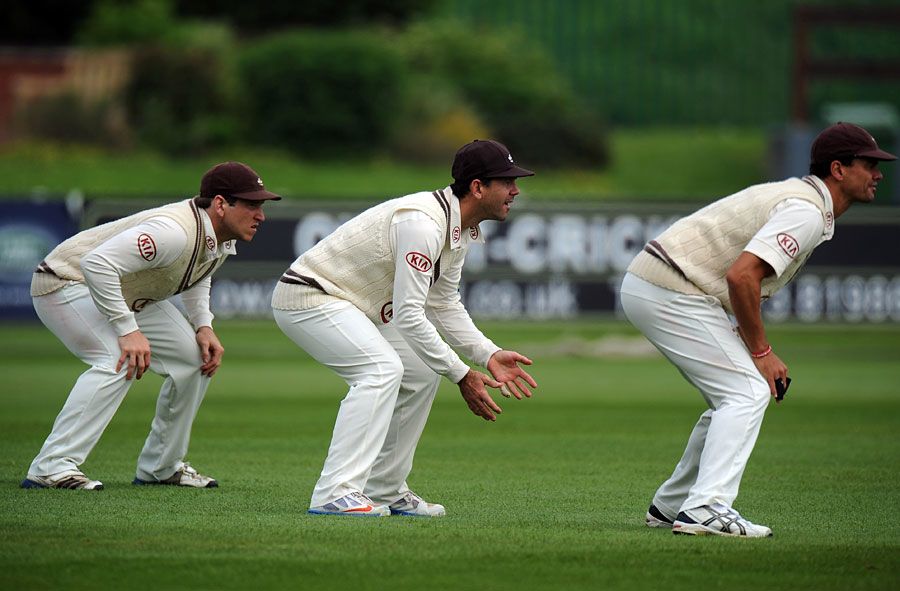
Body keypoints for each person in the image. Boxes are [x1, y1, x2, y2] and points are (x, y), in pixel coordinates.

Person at [620, 122, 896, 537]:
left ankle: (672, 505)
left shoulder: (802, 200)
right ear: (838, 169)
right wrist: (762, 353)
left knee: (732, 393)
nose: (878, 174)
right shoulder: (804, 211)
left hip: (662, 283)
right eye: (869, 165)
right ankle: (706, 508)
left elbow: (738, 280)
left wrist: (752, 348)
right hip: (671, 286)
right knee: (746, 391)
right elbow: (742, 277)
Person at [273, 139, 539, 517]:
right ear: (478, 188)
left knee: (421, 371)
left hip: (352, 305)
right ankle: (334, 492)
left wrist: (488, 353)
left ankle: (384, 489)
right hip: (309, 296)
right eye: (506, 181)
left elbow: (443, 304)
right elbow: (410, 314)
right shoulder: (422, 224)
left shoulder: (457, 229)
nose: (515, 190)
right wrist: (463, 375)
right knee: (380, 369)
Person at [21, 161, 281, 490]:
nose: (261, 215)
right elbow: (96, 264)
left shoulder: (219, 235)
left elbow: (199, 272)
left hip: (122, 293)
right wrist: (127, 330)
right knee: (115, 359)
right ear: (219, 204)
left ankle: (161, 466)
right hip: (64, 282)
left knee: (193, 360)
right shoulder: (172, 233)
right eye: (252, 205)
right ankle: (52, 466)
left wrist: (203, 325)